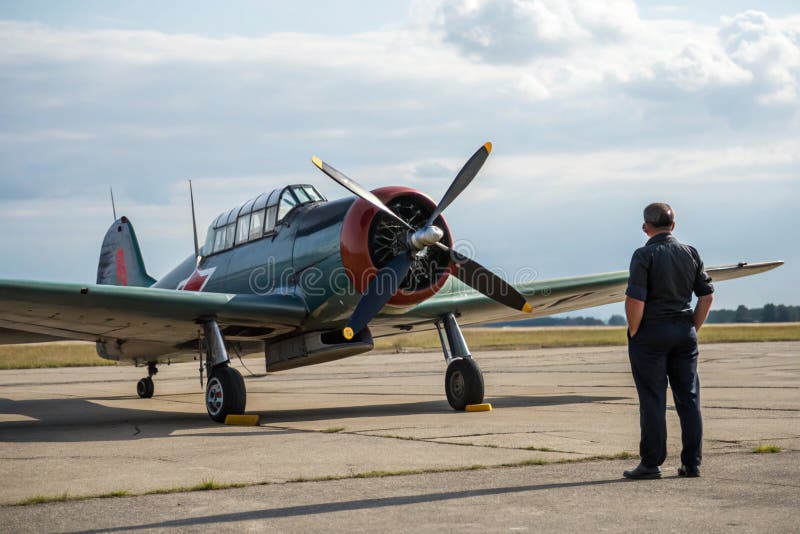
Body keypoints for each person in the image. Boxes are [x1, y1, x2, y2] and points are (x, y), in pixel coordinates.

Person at [622, 202, 714, 480]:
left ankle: (651, 464)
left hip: (651, 333)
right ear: (673, 225)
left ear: (645, 227)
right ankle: (692, 464)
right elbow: (707, 295)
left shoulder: (643, 255)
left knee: (653, 399)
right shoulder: (691, 252)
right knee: (689, 398)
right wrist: (692, 327)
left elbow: (635, 299)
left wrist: (634, 331)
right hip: (684, 331)